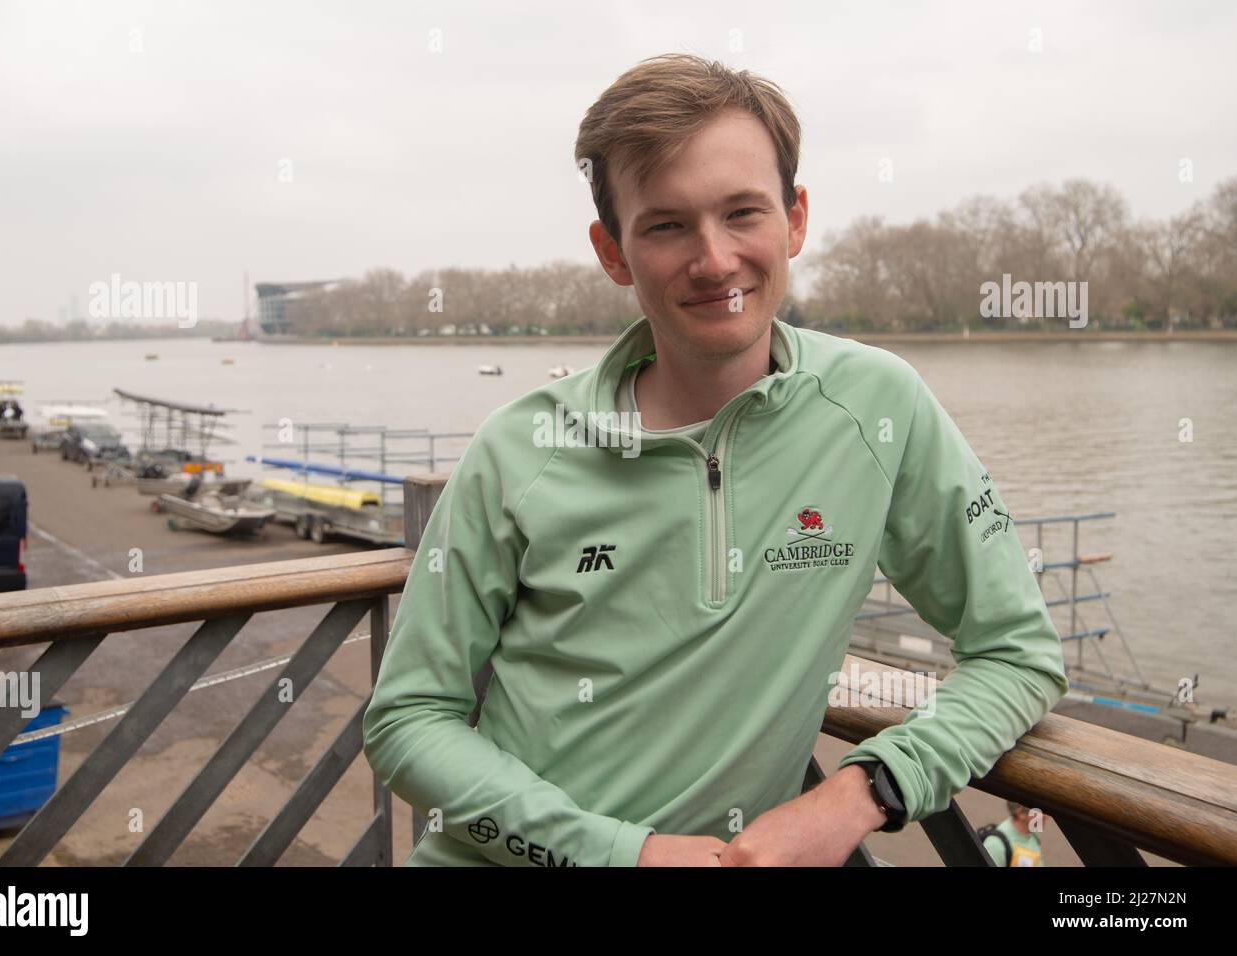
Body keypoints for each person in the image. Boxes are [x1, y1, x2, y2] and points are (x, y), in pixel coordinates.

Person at [362, 53, 1069, 867]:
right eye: (666, 225)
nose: (714, 259)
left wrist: (864, 790)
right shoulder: (518, 448)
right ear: (613, 250)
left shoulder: (880, 408)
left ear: (795, 218)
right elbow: (407, 719)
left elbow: (1017, 650)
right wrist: (626, 855)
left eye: (743, 212)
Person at [982, 802, 1044, 866]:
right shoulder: (995, 844)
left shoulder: (1032, 837)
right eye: (1042, 811)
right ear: (1021, 813)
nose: (1046, 816)